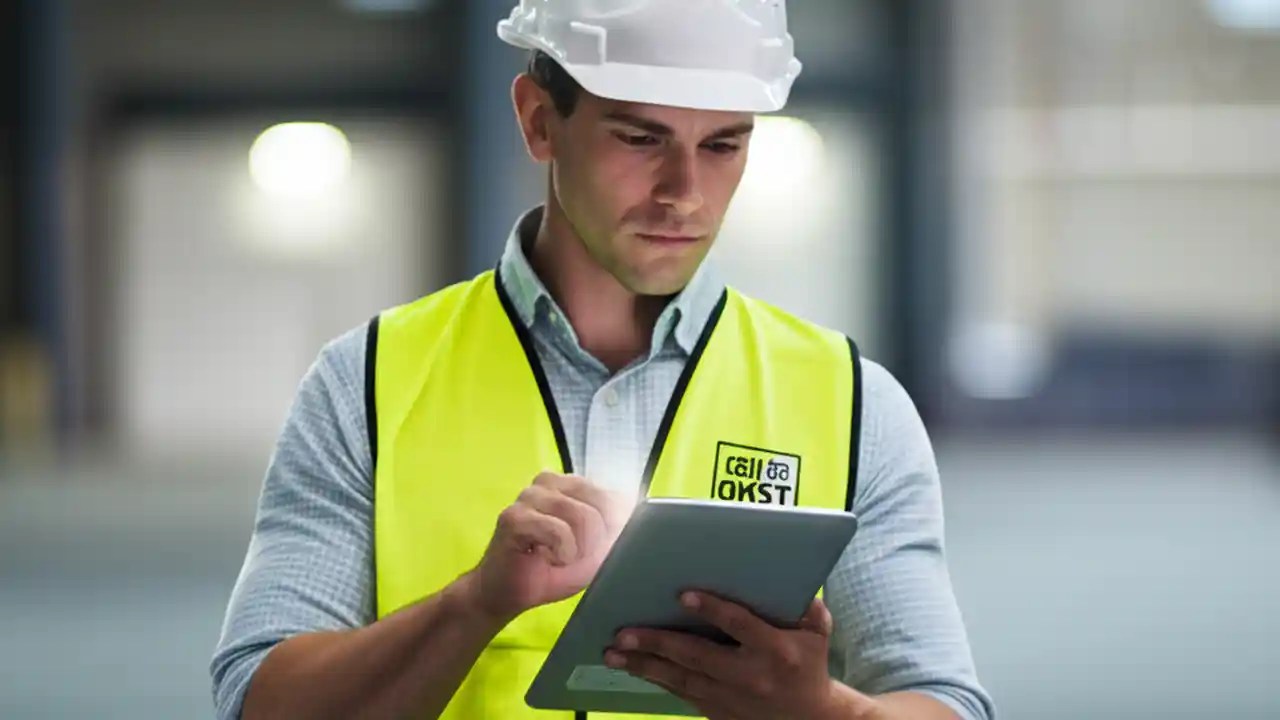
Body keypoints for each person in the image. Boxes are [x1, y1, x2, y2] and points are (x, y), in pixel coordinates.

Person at [211, 1, 995, 718]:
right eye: (640, 138)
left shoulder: (852, 402)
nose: (684, 191)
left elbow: (945, 701)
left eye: (722, 144)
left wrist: (825, 711)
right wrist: (473, 606)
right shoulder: (368, 384)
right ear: (538, 120)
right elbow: (260, 702)